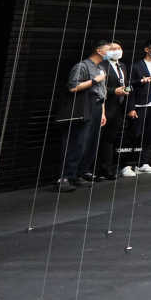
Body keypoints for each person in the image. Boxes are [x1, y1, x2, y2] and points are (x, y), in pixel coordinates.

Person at [58, 41, 109, 192]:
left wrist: (103, 112)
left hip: (98, 106)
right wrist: (94, 81)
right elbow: (73, 87)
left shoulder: (100, 67)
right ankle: (65, 177)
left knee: (91, 143)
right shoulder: (82, 66)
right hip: (85, 105)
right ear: (99, 50)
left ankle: (78, 174)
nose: (112, 52)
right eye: (109, 49)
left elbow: (102, 91)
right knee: (78, 141)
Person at [125, 40, 151, 174]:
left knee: (149, 135)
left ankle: (142, 163)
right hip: (140, 105)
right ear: (146, 49)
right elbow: (129, 87)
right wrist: (131, 108)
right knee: (134, 135)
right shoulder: (136, 66)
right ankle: (126, 165)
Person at [93, 43, 131, 180]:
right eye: (113, 49)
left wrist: (126, 90)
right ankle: (93, 171)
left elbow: (123, 83)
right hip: (104, 107)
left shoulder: (123, 66)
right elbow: (98, 87)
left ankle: (106, 169)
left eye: (119, 48)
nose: (117, 51)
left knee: (109, 139)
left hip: (118, 108)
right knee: (97, 139)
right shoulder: (101, 66)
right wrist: (113, 91)